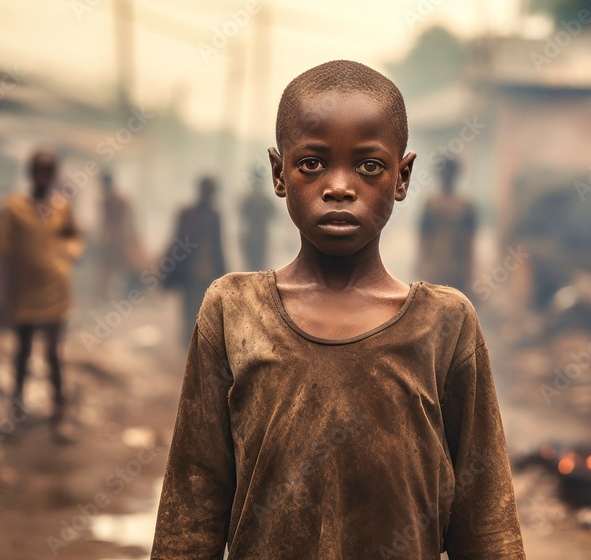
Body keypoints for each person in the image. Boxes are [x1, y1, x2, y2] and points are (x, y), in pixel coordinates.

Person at [151, 60, 525, 559]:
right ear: (279, 173)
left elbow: (485, 523)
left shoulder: (445, 324)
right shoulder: (234, 311)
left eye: (369, 166)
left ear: (403, 176)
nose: (340, 186)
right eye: (312, 163)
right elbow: (191, 508)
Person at [0, 149, 84, 443]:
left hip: (56, 288)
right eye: (38, 170)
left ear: (54, 174)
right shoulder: (13, 207)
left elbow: (74, 236)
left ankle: (59, 415)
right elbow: (4, 251)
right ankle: (15, 411)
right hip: (24, 290)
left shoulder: (62, 206)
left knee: (53, 354)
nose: (43, 176)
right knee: (22, 352)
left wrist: (68, 254)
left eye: (48, 170)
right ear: (30, 173)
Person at [168, 176, 226, 344]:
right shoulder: (188, 213)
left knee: (203, 305)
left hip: (207, 267)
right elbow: (178, 239)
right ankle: (189, 339)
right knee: (189, 304)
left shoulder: (214, 215)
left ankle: (195, 339)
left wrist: (221, 269)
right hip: (190, 267)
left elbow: (218, 244)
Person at [417, 156, 477, 295]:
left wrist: (470, 271)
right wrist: (422, 264)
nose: (447, 176)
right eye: (444, 172)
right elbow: (423, 236)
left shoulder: (465, 206)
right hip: (435, 267)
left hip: (458, 268)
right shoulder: (431, 204)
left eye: (449, 172)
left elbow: (470, 240)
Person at [98, 171, 147, 299]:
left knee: (114, 268)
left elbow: (107, 223)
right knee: (117, 268)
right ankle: (113, 294)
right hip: (121, 237)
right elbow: (129, 220)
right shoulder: (117, 199)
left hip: (115, 238)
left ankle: (112, 294)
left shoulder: (111, 201)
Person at [239, 169, 275, 271]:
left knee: (254, 265)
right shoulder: (263, 200)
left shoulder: (249, 199)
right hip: (257, 235)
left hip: (254, 235)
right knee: (257, 265)